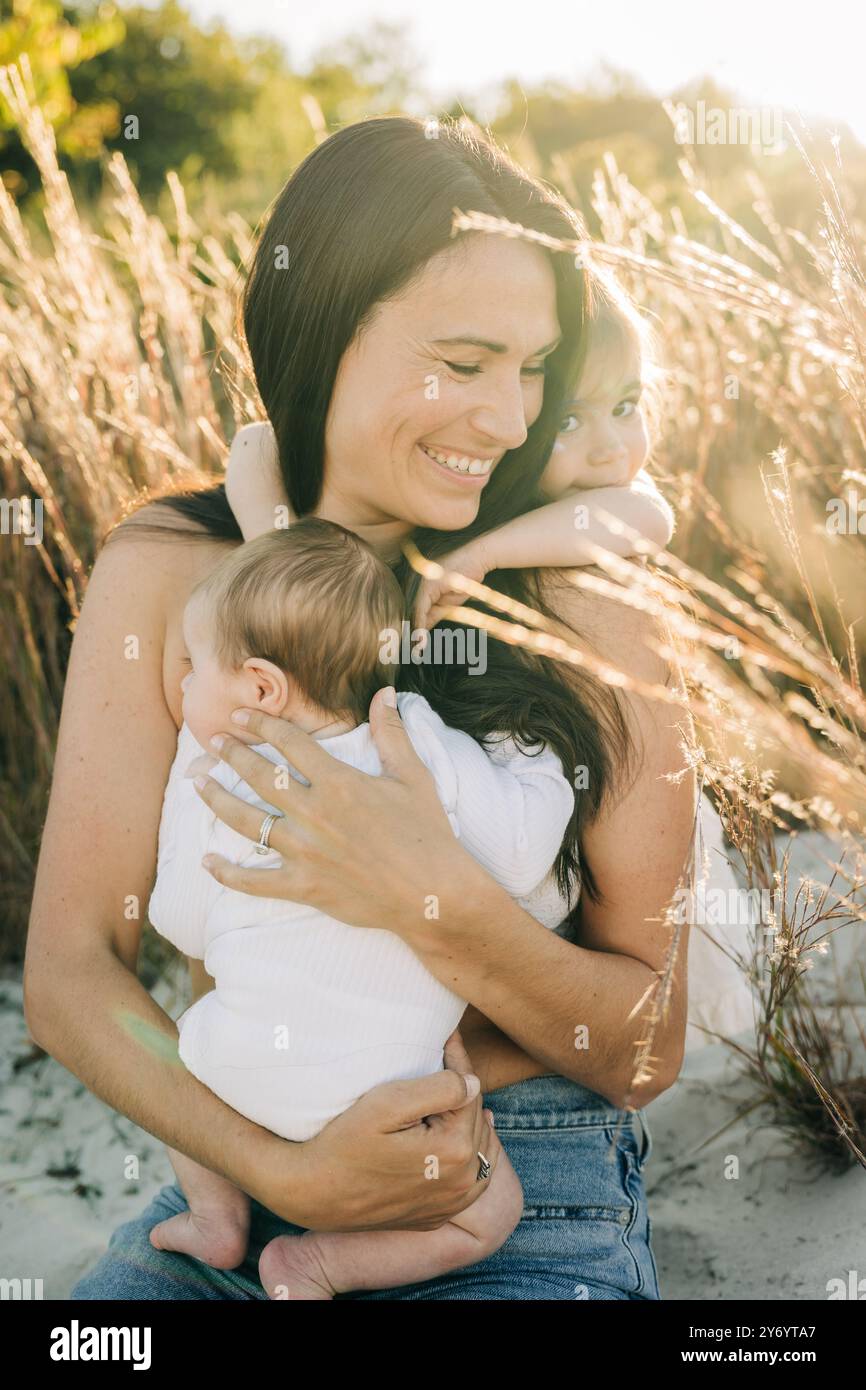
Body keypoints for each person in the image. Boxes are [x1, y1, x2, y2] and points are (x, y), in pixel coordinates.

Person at [26, 115, 697, 1301]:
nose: (505, 418)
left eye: (532, 369)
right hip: (237, 1184)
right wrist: (271, 1165)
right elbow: (75, 970)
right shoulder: (176, 576)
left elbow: (646, 1044)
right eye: (465, 359)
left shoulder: (581, 607)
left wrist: (425, 895)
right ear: (324, 324)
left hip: (508, 1183)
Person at [146, 519, 574, 1299]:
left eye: (192, 670)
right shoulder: (408, 733)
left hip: (238, 1081)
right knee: (490, 1211)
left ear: (261, 689)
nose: (179, 690)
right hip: (396, 1097)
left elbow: (178, 922)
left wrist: (187, 765)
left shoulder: (217, 784)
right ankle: (312, 1264)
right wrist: (530, 753)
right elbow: (519, 855)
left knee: (178, 1057)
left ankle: (217, 1217)